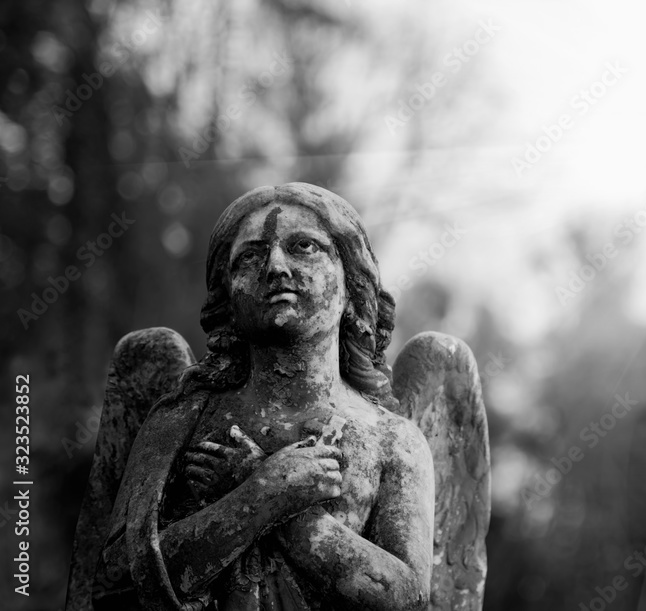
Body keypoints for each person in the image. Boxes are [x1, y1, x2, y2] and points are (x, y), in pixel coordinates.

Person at [94, 183, 434, 611]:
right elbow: (114, 589)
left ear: (352, 284)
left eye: (304, 247)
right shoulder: (182, 418)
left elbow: (408, 599)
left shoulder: (392, 439)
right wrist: (257, 497)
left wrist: (282, 502)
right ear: (227, 297)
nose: (275, 267)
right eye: (250, 257)